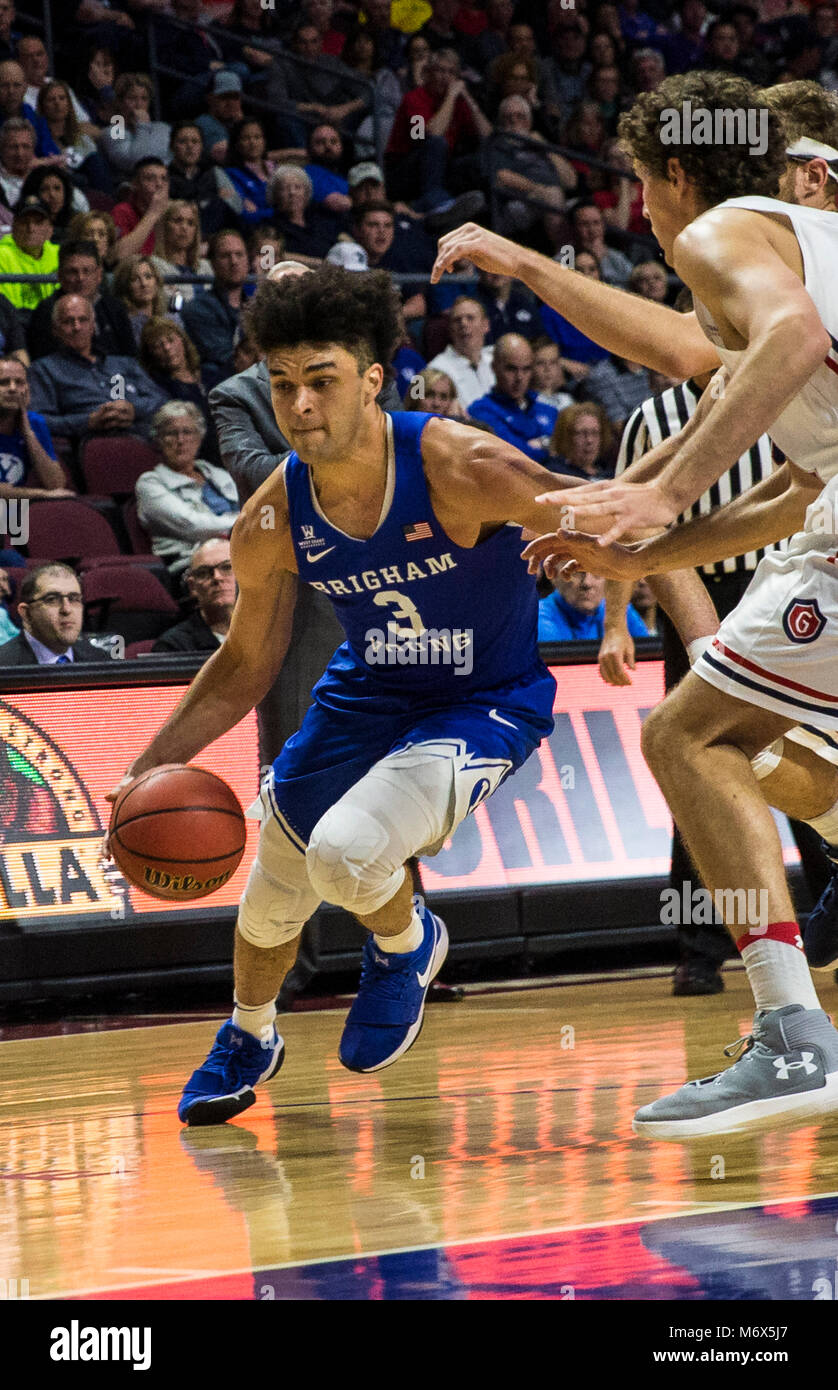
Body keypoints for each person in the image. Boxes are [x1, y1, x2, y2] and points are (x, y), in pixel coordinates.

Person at [105, 265, 582, 1126]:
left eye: (321, 380)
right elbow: (247, 662)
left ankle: (407, 945)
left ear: (371, 379)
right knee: (272, 894)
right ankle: (252, 1033)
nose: (300, 405)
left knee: (346, 854)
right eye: (282, 385)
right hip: (366, 695)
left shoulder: (460, 464)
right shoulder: (271, 514)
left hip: (485, 698)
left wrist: (646, 627)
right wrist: (148, 768)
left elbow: (604, 520)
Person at [509, 72, 838, 1139]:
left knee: (685, 737)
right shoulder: (808, 238)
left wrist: (660, 487)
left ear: (678, 175)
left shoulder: (725, 233)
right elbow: (795, 490)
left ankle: (792, 1037)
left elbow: (781, 341)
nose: (636, 207)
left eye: (639, 182)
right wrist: (645, 551)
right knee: (777, 751)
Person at [28, 294, 166, 442]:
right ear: (55, 329)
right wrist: (88, 421)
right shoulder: (43, 369)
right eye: (68, 321)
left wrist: (134, 409)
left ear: (93, 326)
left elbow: (162, 400)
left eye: (83, 320)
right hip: (90, 444)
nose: (77, 327)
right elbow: (37, 420)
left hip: (145, 439)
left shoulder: (125, 364)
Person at [135, 400, 239, 574]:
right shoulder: (150, 483)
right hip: (192, 564)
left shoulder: (217, 473)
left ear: (199, 438)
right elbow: (194, 526)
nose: (180, 440)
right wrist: (245, 523)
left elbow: (253, 505)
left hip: (238, 551)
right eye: (171, 433)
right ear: (159, 440)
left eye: (187, 432)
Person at [26, 238, 135, 361]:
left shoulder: (114, 308)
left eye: (87, 271)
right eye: (72, 272)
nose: (80, 278)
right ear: (60, 276)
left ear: (99, 275)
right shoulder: (46, 311)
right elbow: (42, 360)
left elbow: (130, 357)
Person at [468, 334, 558, 465]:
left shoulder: (548, 409)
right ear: (494, 367)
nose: (519, 377)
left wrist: (540, 444)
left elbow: (566, 452)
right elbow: (516, 457)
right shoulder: (480, 412)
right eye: (511, 369)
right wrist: (547, 446)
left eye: (526, 369)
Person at [181, 229, 250, 387]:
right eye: (225, 256)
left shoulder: (257, 308)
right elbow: (228, 359)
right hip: (221, 385)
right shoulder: (198, 308)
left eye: (239, 254)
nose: (234, 261)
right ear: (212, 263)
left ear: (247, 260)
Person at [0, 563, 104, 665]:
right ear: (26, 613)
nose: (67, 610)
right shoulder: (4, 664)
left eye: (74, 599)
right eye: (52, 600)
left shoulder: (101, 661)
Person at [0, 355, 73, 500]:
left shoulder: (34, 422)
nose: (13, 388)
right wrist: (41, 494)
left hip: (12, 513)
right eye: (4, 382)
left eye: (20, 382)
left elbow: (56, 484)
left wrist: (28, 433)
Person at [139, 317, 216, 453]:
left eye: (170, 340)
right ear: (150, 355)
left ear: (182, 340)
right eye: (158, 346)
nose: (167, 348)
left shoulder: (210, 373)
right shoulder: (159, 388)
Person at [152, 538, 236, 652]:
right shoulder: (174, 646)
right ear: (193, 587)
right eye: (203, 573)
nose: (217, 577)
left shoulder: (267, 633)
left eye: (227, 567)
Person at [538, 566, 648, 643]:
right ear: (553, 576)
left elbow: (649, 658)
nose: (587, 583)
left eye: (597, 573)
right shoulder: (540, 616)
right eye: (576, 572)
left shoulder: (619, 610)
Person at [98, 73, 171, 182]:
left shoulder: (163, 128)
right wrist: (142, 126)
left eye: (144, 99)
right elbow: (137, 162)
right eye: (132, 98)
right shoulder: (113, 131)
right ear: (120, 102)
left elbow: (171, 160)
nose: (138, 105)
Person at [426, 295, 494, 409]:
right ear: (450, 329)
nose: (464, 324)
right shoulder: (437, 369)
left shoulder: (496, 361)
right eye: (457, 320)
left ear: (485, 325)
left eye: (470, 318)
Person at [268, 166, 341, 265]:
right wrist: (321, 263)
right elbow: (270, 257)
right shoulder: (269, 227)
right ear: (275, 195)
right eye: (284, 188)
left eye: (297, 187)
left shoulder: (322, 222)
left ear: (306, 193)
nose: (292, 193)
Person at [0, 196, 59, 313]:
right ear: (14, 227)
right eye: (24, 222)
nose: (31, 228)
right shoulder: (2, 255)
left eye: (38, 222)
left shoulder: (60, 254)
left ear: (50, 229)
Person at [151, 200, 212, 306]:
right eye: (178, 221)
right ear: (164, 226)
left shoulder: (206, 266)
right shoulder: (154, 265)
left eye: (191, 223)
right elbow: (174, 306)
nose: (184, 227)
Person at [111, 157, 171, 263]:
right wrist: (153, 214)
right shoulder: (122, 211)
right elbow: (120, 255)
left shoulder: (173, 211)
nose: (159, 184)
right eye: (150, 179)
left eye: (164, 179)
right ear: (135, 184)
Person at [18, 165, 88, 243]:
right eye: (44, 190)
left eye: (57, 188)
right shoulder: (22, 222)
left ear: (66, 192)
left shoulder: (78, 221)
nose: (52, 195)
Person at [112, 255, 172, 344]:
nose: (144, 284)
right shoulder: (124, 325)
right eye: (135, 279)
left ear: (156, 281)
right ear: (125, 286)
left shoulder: (171, 319)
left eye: (148, 277)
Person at [546, 403, 613, 479]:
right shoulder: (555, 474)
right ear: (566, 437)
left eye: (595, 433)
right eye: (581, 433)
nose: (589, 440)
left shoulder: (609, 473)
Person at [530, 336, 574, 413]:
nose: (548, 369)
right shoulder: (525, 403)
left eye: (553, 362)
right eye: (540, 363)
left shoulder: (566, 400)